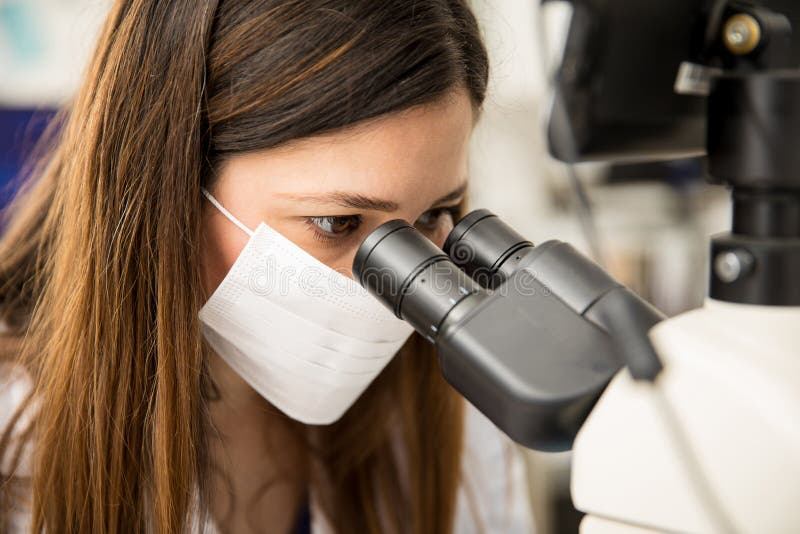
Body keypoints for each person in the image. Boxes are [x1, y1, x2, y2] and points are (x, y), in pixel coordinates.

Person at [0, 1, 535, 532]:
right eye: (336, 221)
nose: (395, 291)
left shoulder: (449, 422)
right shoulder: (16, 446)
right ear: (174, 185)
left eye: (433, 216)